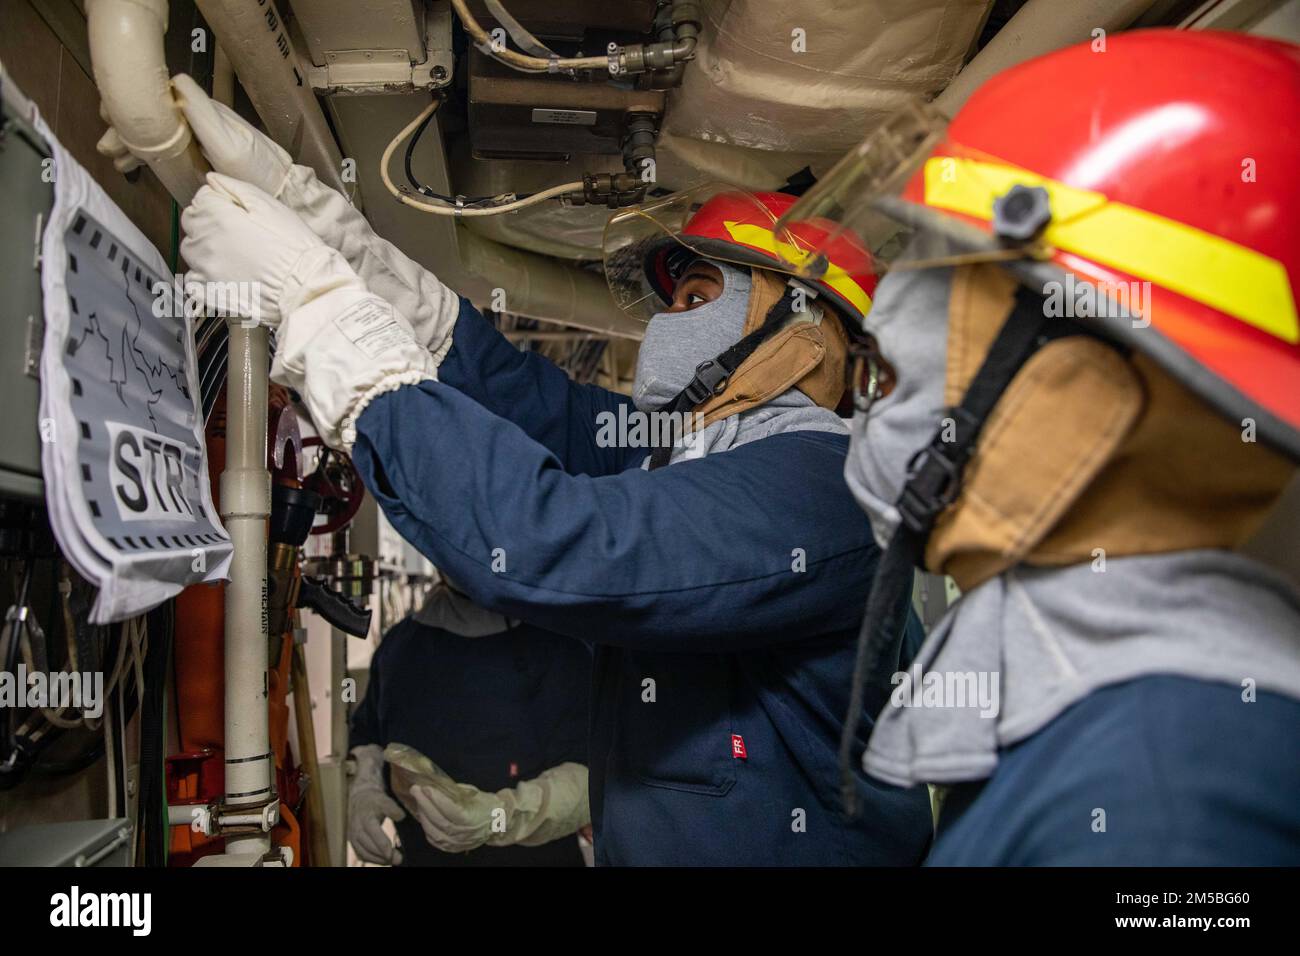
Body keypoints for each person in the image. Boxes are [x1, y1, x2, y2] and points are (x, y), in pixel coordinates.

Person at [157, 75, 932, 865]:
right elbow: (530, 402)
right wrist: (320, 219)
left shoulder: (826, 488)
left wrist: (318, 310)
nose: (668, 325)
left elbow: (541, 541)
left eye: (697, 296)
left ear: (800, 335)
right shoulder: (690, 446)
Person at [778, 28, 1300, 864]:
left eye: (892, 377)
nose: (873, 404)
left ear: (1078, 401)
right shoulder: (1145, 716)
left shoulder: (1163, 805)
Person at [347, 581, 592, 867]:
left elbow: (589, 776)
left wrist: (499, 816)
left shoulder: (559, 647)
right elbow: (370, 735)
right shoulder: (401, 645)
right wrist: (365, 790)